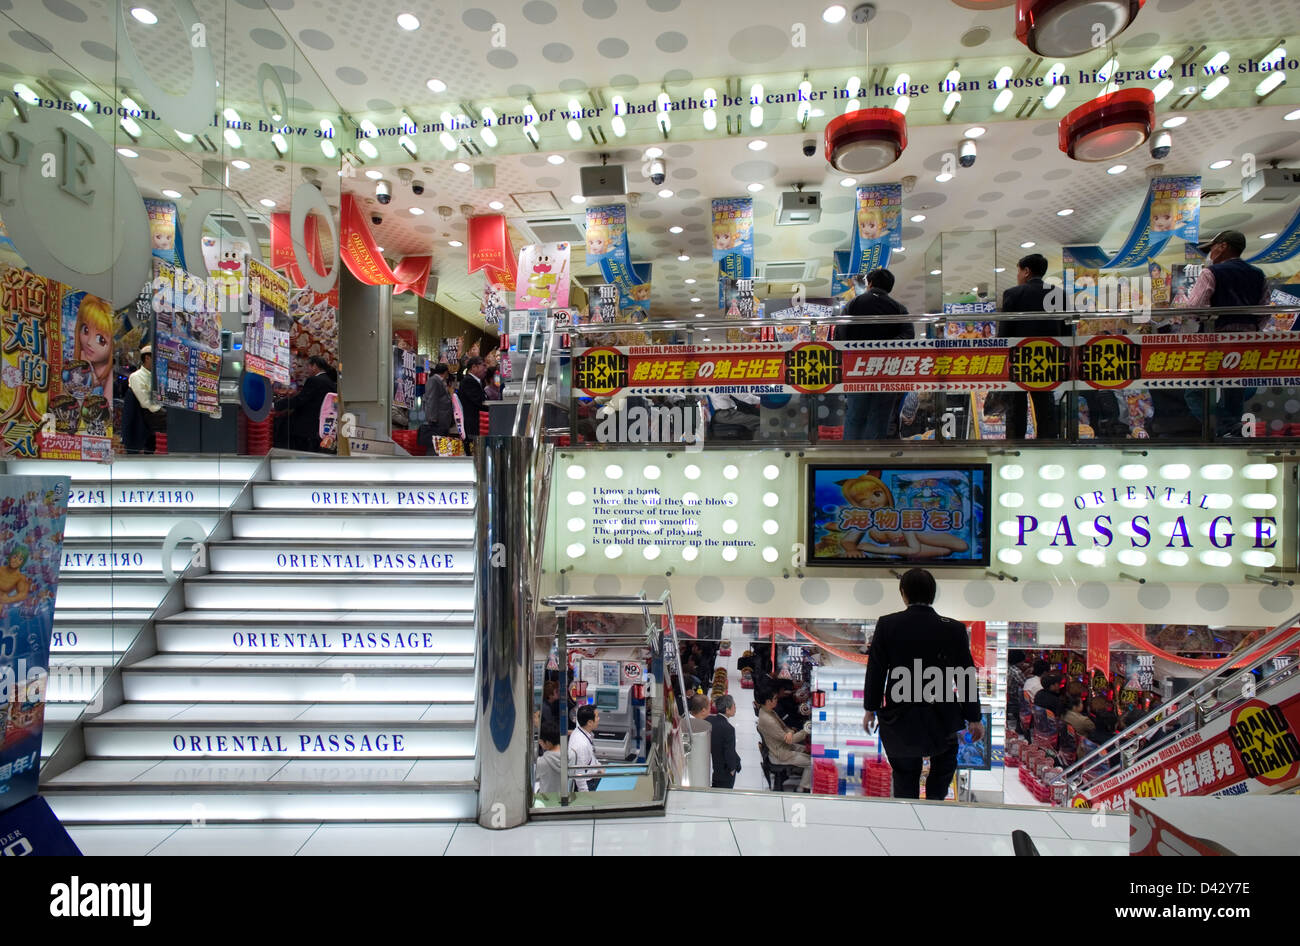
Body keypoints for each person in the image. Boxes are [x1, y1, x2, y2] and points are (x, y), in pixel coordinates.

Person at [863, 568, 984, 801]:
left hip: (900, 715)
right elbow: (965, 675)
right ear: (933, 594)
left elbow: (876, 670)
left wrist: (870, 708)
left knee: (905, 777)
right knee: (941, 773)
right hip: (942, 715)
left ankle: (909, 823)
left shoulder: (888, 624)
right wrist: (974, 717)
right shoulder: (954, 629)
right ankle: (935, 817)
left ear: (903, 593)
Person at [1180, 230, 1270, 437]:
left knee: (1195, 391)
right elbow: (1264, 310)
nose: (1210, 253)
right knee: (1234, 389)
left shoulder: (1211, 272)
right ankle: (1233, 430)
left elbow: (1194, 307)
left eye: (1212, 247)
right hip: (1246, 342)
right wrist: (1251, 328)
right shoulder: (1257, 274)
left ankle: (1224, 426)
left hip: (1215, 340)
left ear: (1223, 246)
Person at [839, 268, 913, 440]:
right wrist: (885, 350)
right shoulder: (899, 308)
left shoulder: (854, 304)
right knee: (881, 416)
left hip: (857, 369)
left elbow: (840, 334)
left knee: (856, 415)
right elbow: (908, 337)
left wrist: (856, 351)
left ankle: (849, 455)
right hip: (887, 371)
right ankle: (874, 455)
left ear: (870, 284)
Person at [999, 253, 1066, 440]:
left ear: (1026, 271)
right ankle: (1047, 443)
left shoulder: (1013, 294)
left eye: (1018, 271)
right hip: (1049, 359)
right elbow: (1067, 331)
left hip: (1019, 359)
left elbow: (1004, 334)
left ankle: (1015, 444)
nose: (1018, 276)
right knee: (1045, 405)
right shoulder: (1058, 294)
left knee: (1016, 407)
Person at [274, 355, 336, 452]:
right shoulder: (330, 382)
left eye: (308, 366)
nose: (306, 369)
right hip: (320, 425)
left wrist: (277, 405)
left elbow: (300, 399)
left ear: (314, 366)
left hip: (306, 426)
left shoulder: (315, 380)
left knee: (283, 429)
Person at [757, 683, 811, 790]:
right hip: (780, 754)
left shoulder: (767, 711)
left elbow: (786, 729)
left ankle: (800, 773)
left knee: (807, 750)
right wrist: (806, 730)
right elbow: (789, 740)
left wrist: (790, 732)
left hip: (780, 747)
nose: (777, 700)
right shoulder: (768, 720)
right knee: (812, 762)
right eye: (775, 698)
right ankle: (802, 788)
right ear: (768, 701)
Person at [123, 344, 165, 454]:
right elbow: (145, 401)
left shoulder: (157, 377)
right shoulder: (136, 376)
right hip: (141, 419)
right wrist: (162, 410)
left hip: (151, 421)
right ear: (147, 358)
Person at [72, 294, 115, 396]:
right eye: (85, 330)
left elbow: (107, 403)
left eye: (100, 340)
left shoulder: (108, 374)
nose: (89, 342)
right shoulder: (80, 359)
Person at [707, 694, 742, 789]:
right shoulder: (729, 729)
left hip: (716, 768)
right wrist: (732, 769)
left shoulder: (709, 720)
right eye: (734, 705)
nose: (735, 708)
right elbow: (729, 752)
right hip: (725, 772)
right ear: (727, 710)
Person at [418, 363, 456, 444]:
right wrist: (432, 418)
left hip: (443, 419)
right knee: (437, 443)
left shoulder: (440, 381)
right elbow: (432, 399)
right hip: (438, 419)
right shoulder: (434, 380)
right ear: (445, 372)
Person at [569, 703, 602, 791]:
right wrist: (585, 794)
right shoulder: (581, 744)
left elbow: (590, 756)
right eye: (597, 717)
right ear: (590, 722)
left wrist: (598, 767)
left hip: (593, 776)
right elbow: (579, 773)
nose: (599, 719)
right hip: (588, 783)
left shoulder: (579, 731)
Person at [535, 722, 571, 795]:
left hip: (547, 800)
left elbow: (534, 778)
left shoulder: (541, 761)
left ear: (548, 742)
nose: (539, 742)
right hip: (565, 798)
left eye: (540, 741)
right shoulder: (571, 754)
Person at [457, 356, 488, 437]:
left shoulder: (476, 381)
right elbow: (480, 402)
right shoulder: (469, 381)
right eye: (483, 366)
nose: (485, 370)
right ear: (474, 367)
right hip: (472, 425)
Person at [1007, 650, 1029, 737]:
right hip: (1013, 697)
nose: (1023, 663)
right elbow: (1025, 683)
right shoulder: (1016, 671)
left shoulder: (1008, 667)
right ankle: (1020, 728)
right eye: (1022, 661)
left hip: (1008, 694)